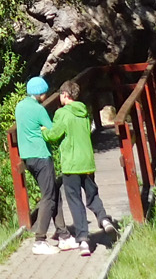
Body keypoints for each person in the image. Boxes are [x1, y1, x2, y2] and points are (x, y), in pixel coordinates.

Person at [43, 78, 119, 255]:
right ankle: (104, 219)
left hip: (71, 164)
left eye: (60, 94)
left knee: (75, 201)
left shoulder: (62, 113)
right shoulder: (84, 112)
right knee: (92, 195)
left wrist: (44, 132)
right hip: (87, 162)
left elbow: (54, 135)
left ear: (65, 95)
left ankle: (83, 240)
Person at [14, 75, 69, 254]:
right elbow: (52, 131)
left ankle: (63, 234)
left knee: (54, 193)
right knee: (49, 197)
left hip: (28, 157)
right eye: (45, 93)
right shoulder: (39, 110)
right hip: (41, 155)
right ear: (40, 93)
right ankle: (40, 240)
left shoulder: (20, 107)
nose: (46, 96)